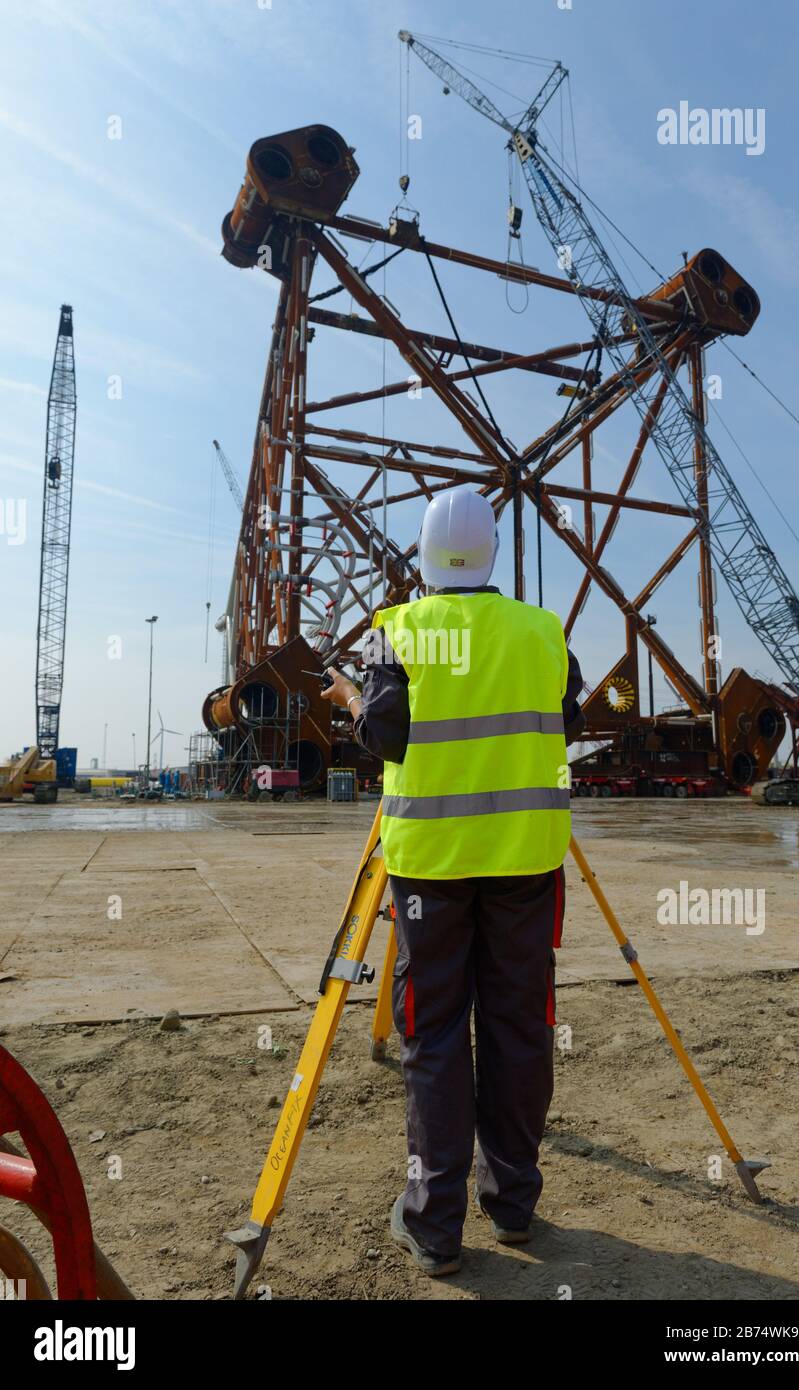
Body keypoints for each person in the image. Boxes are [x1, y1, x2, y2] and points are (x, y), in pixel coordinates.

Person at [322, 486, 584, 1276]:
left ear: (425, 555)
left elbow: (386, 733)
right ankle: (512, 1207)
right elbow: (564, 721)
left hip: (430, 868)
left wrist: (349, 697)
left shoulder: (396, 630)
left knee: (433, 1034)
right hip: (524, 858)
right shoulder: (542, 632)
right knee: (517, 1025)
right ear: (493, 553)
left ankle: (434, 1227)